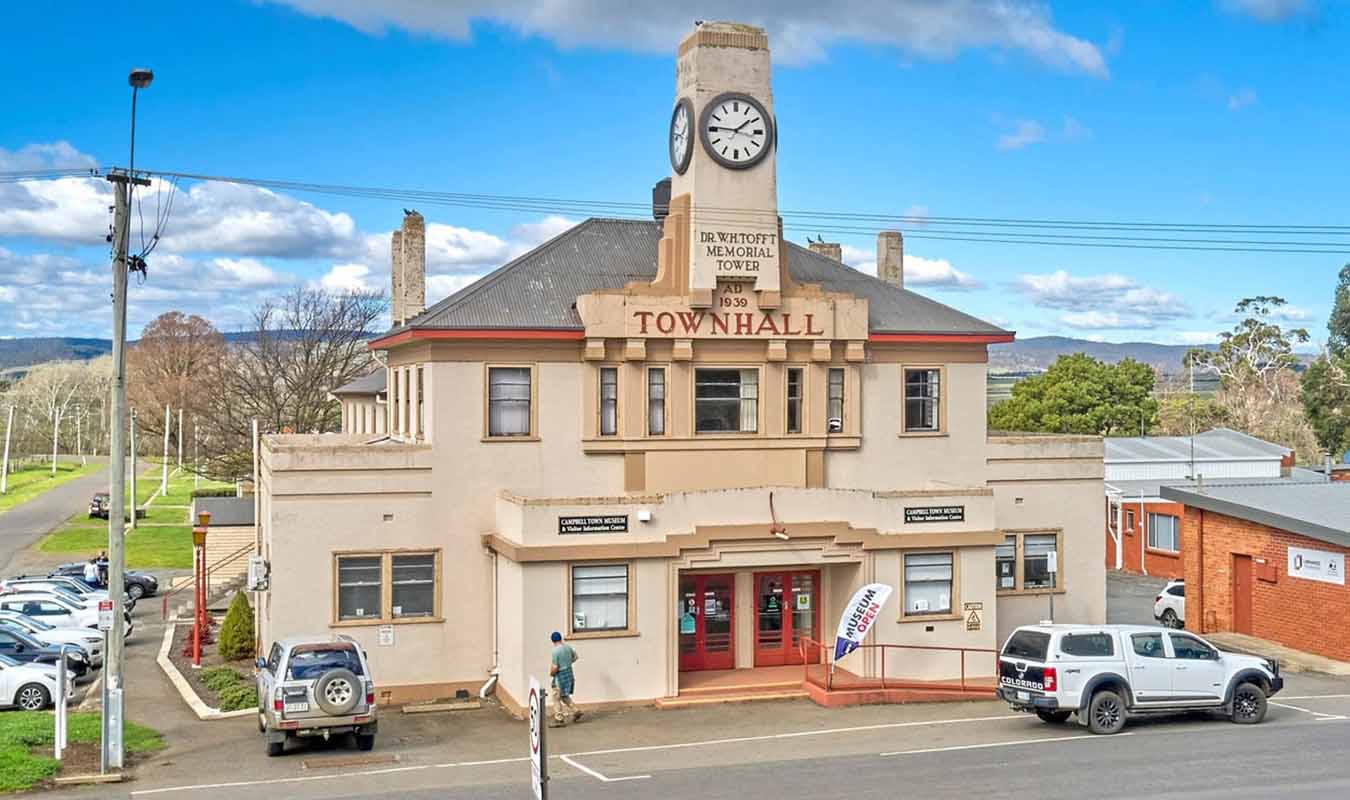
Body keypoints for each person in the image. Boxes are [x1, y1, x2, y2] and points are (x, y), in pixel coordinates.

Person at [548, 631, 582, 727]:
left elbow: (555, 667)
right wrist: (567, 663)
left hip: (560, 676)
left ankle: (559, 719)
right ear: (560, 638)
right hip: (569, 673)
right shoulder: (567, 647)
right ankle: (576, 711)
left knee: (556, 697)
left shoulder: (555, 651)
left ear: (552, 641)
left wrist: (551, 673)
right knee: (564, 695)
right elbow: (575, 657)